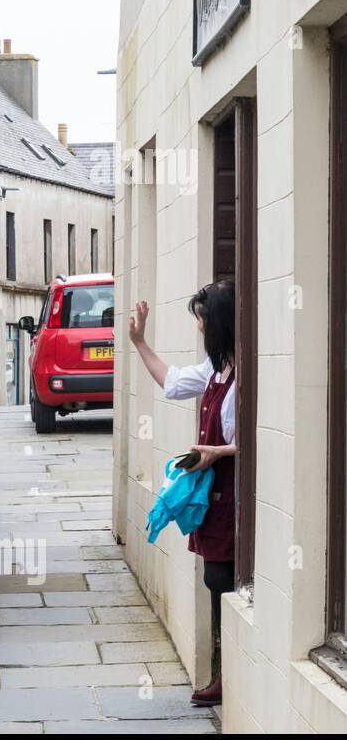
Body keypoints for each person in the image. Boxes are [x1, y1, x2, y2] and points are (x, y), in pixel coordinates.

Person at [127, 281, 236, 707]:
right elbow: (171, 383)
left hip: (231, 493)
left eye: (202, 319)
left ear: (218, 323)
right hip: (212, 494)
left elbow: (256, 439)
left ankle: (226, 674)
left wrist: (217, 452)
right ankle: (222, 672)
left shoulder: (242, 373)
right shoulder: (217, 367)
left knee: (224, 579)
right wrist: (139, 342)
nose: (198, 327)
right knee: (215, 577)